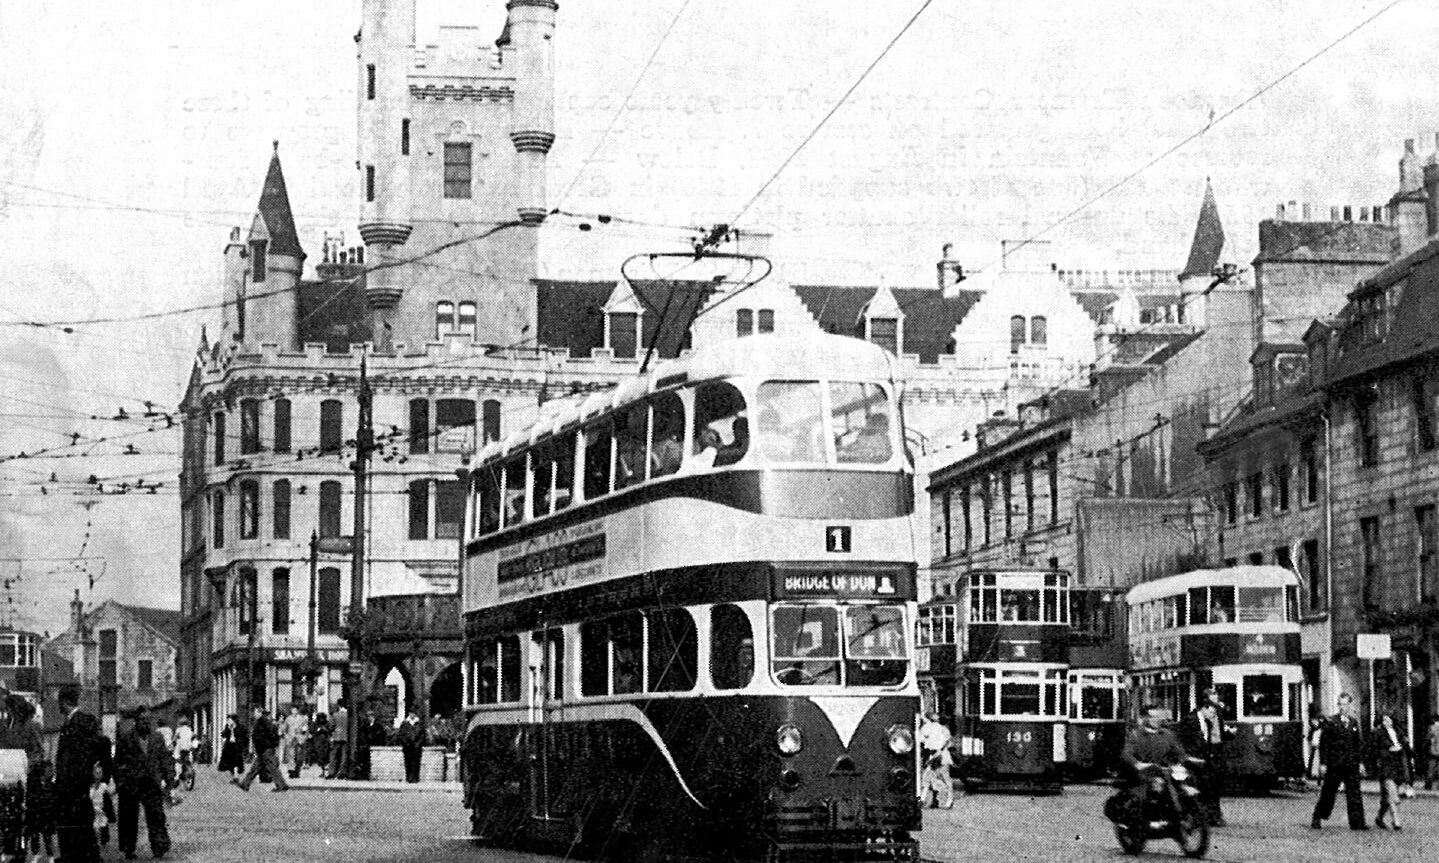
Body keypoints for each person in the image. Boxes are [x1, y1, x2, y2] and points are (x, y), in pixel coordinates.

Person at [53, 683, 112, 863]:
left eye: (59, 701)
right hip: (73, 784)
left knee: (77, 824)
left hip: (75, 785)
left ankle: (79, 857)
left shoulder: (81, 722)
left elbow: (84, 753)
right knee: (77, 824)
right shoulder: (74, 722)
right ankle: (74, 856)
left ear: (64, 702)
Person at [113, 706, 173, 860]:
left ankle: (159, 848)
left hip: (152, 783)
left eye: (148, 720)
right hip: (131, 784)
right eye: (142, 720)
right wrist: (121, 782)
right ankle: (128, 849)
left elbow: (164, 759)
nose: (145, 724)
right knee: (129, 818)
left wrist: (169, 779)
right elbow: (117, 763)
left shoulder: (157, 737)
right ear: (136, 721)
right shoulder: (126, 738)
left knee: (156, 815)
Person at [1118, 703, 1188, 816]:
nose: (1156, 720)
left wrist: (1181, 762)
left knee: (1182, 787)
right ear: (1145, 718)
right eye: (1152, 717)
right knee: (1144, 797)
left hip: (1165, 771)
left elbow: (1179, 752)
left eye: (1158, 717)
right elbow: (1127, 753)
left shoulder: (1167, 735)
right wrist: (1137, 764)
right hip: (1145, 773)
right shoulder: (1136, 735)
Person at [1311, 692, 1368, 830]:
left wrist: (1360, 762)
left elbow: (1357, 745)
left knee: (1354, 794)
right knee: (1328, 793)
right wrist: (1323, 763)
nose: (1342, 707)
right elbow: (1324, 744)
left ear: (1349, 705)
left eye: (1345, 704)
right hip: (1335, 764)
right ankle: (1318, 817)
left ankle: (1357, 822)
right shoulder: (1331, 722)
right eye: (1340, 704)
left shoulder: (1353, 723)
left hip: (1350, 764)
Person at [1176, 692, 1225, 827]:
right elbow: (1182, 739)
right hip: (1191, 759)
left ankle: (1207, 816)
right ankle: (1193, 816)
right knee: (1194, 787)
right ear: (1204, 708)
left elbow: (1206, 742)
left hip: (1203, 759)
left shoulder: (1207, 722)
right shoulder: (1190, 720)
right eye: (1211, 712)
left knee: (1209, 786)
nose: (1213, 716)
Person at [234, 705, 287, 792]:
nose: (253, 714)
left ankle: (282, 786)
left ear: (259, 712)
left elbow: (272, 733)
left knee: (272, 768)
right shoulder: (260, 721)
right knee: (255, 768)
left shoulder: (264, 721)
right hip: (262, 749)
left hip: (265, 749)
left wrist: (269, 744)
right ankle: (245, 784)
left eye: (255, 712)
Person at [1373, 712, 1410, 830]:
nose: (1386, 723)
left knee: (1386, 799)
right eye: (1384, 720)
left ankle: (1379, 817)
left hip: (1398, 767)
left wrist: (1403, 746)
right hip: (1386, 767)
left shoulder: (1399, 732)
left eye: (1388, 720)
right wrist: (1389, 750)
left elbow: (1406, 747)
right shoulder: (1378, 733)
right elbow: (1374, 750)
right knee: (1393, 795)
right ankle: (1396, 822)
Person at [917, 711, 954, 810]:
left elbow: (921, 739)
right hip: (940, 754)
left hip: (936, 754)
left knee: (930, 777)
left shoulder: (928, 728)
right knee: (939, 777)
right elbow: (949, 741)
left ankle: (924, 799)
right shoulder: (943, 729)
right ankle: (944, 799)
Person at [394, 710, 427, 784]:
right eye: (410, 713)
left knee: (416, 762)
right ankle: (409, 778)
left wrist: (418, 744)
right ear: (409, 714)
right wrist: (406, 743)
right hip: (407, 747)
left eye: (413, 713)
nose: (412, 714)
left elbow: (422, 735)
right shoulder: (405, 724)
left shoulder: (419, 724)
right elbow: (401, 735)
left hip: (417, 747)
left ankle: (415, 778)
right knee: (408, 762)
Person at [89, 763, 116, 849]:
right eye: (96, 773)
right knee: (95, 828)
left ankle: (103, 843)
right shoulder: (90, 787)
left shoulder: (104, 786)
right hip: (93, 811)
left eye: (100, 773)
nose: (98, 775)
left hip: (102, 811)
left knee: (103, 826)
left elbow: (110, 793)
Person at [281, 705, 310, 779]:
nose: (294, 712)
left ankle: (297, 770)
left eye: (295, 710)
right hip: (291, 739)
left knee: (299, 756)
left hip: (299, 739)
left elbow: (306, 728)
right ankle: (291, 771)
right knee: (291, 755)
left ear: (297, 711)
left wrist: (303, 734)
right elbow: (284, 729)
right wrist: (286, 736)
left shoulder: (302, 718)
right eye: (292, 710)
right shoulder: (288, 719)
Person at [216, 714, 245, 778]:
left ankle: (235, 776)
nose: (228, 721)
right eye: (227, 720)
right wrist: (227, 730)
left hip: (237, 747)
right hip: (229, 747)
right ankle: (234, 775)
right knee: (230, 762)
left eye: (229, 720)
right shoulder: (227, 726)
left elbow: (243, 736)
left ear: (234, 720)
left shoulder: (239, 727)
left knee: (236, 761)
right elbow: (223, 734)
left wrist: (240, 742)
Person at [325, 703, 349, 780]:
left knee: (333, 755)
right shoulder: (348, 715)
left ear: (339, 706)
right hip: (346, 736)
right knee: (344, 755)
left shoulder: (335, 715)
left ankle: (332, 773)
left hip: (336, 736)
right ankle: (342, 773)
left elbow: (331, 726)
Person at [171, 716, 195, 785]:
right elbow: (193, 736)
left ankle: (177, 776)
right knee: (187, 760)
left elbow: (174, 738)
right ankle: (188, 771)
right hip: (188, 748)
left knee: (178, 761)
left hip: (181, 748)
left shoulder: (179, 729)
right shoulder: (189, 729)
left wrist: (172, 742)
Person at [1426, 717, 1439, 791]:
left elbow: (1428, 738)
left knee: (1431, 768)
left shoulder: (1432, 728)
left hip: (1433, 751)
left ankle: (1428, 784)